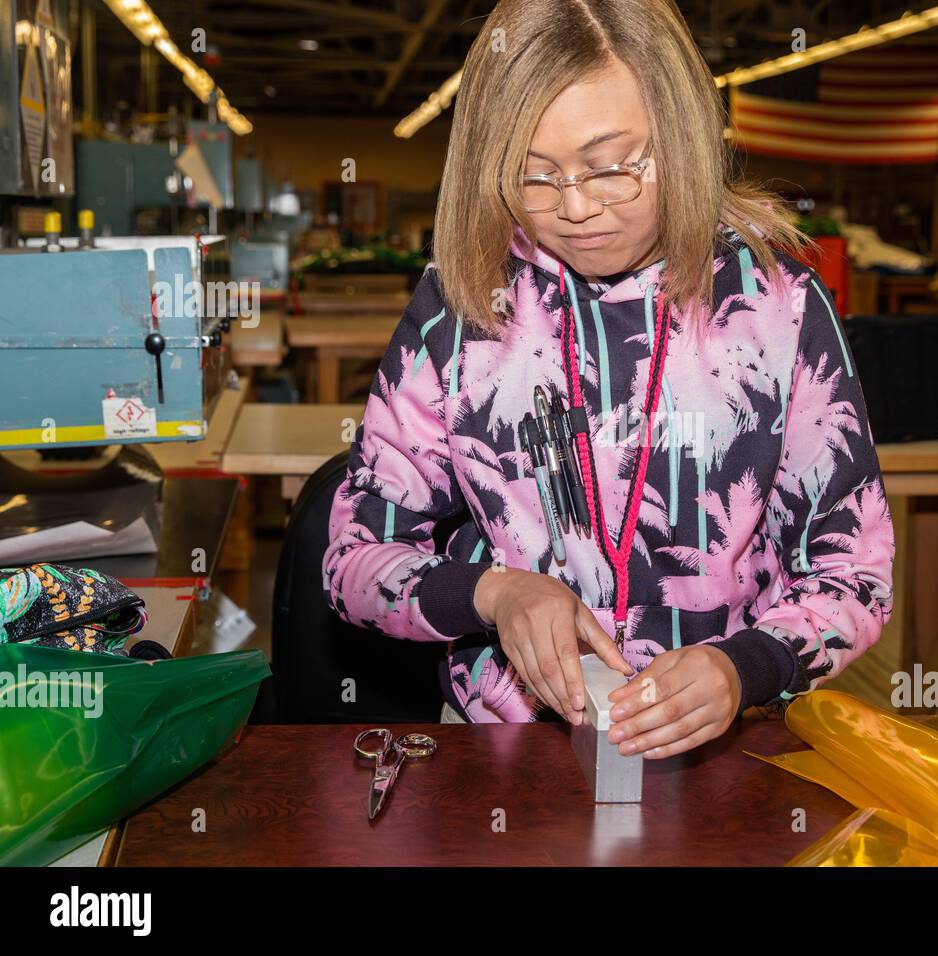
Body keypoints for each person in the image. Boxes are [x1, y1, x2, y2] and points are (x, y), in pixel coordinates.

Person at [322, 0, 895, 760]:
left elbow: (852, 572)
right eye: (533, 176)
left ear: (681, 135)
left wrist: (746, 665)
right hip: (506, 751)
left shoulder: (777, 309)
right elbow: (351, 560)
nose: (576, 208)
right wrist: (493, 594)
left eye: (612, 166)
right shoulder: (460, 309)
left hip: (725, 745)